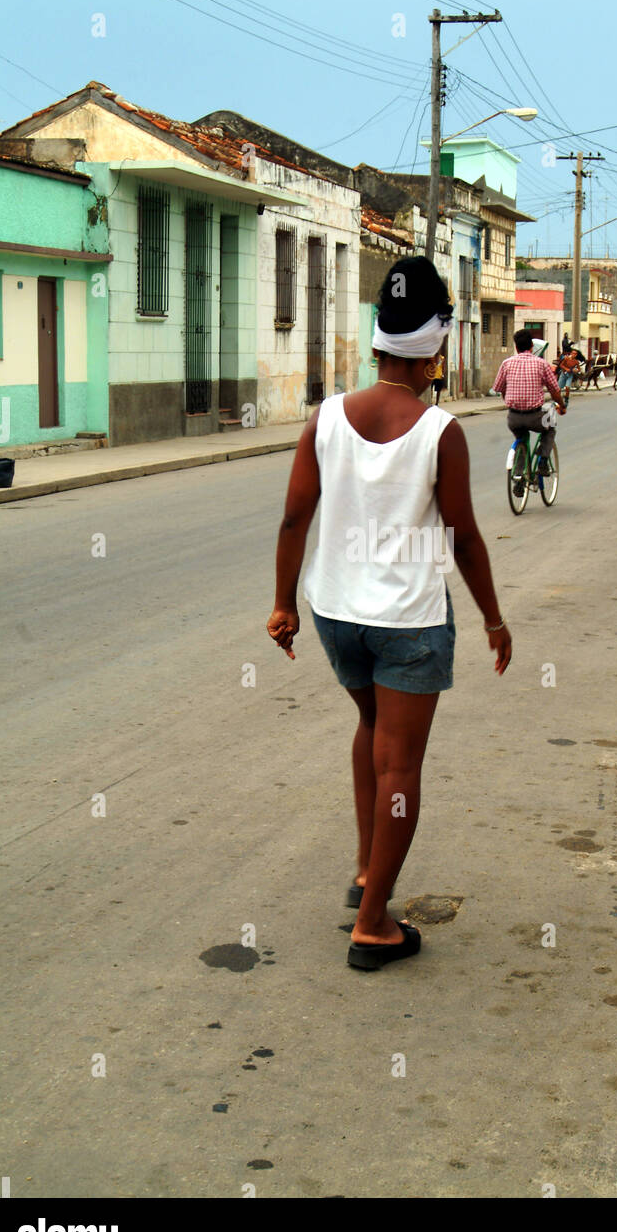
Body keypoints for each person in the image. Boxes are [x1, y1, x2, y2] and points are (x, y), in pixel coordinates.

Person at [266, 256, 512, 971]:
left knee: (371, 727)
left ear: (378, 341)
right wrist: (494, 619)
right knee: (399, 766)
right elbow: (463, 538)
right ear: (435, 349)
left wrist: (283, 604)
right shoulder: (442, 432)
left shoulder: (327, 419)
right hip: (407, 623)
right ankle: (374, 926)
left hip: (337, 615)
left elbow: (293, 518)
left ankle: (368, 871)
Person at [491, 330, 566, 480]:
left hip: (513, 418)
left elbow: (499, 388)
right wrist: (561, 405)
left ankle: (518, 475)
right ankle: (543, 460)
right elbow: (554, 390)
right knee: (550, 427)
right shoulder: (541, 364)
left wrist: (509, 398)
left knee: (521, 437)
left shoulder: (506, 364)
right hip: (535, 416)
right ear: (531, 346)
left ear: (516, 347)